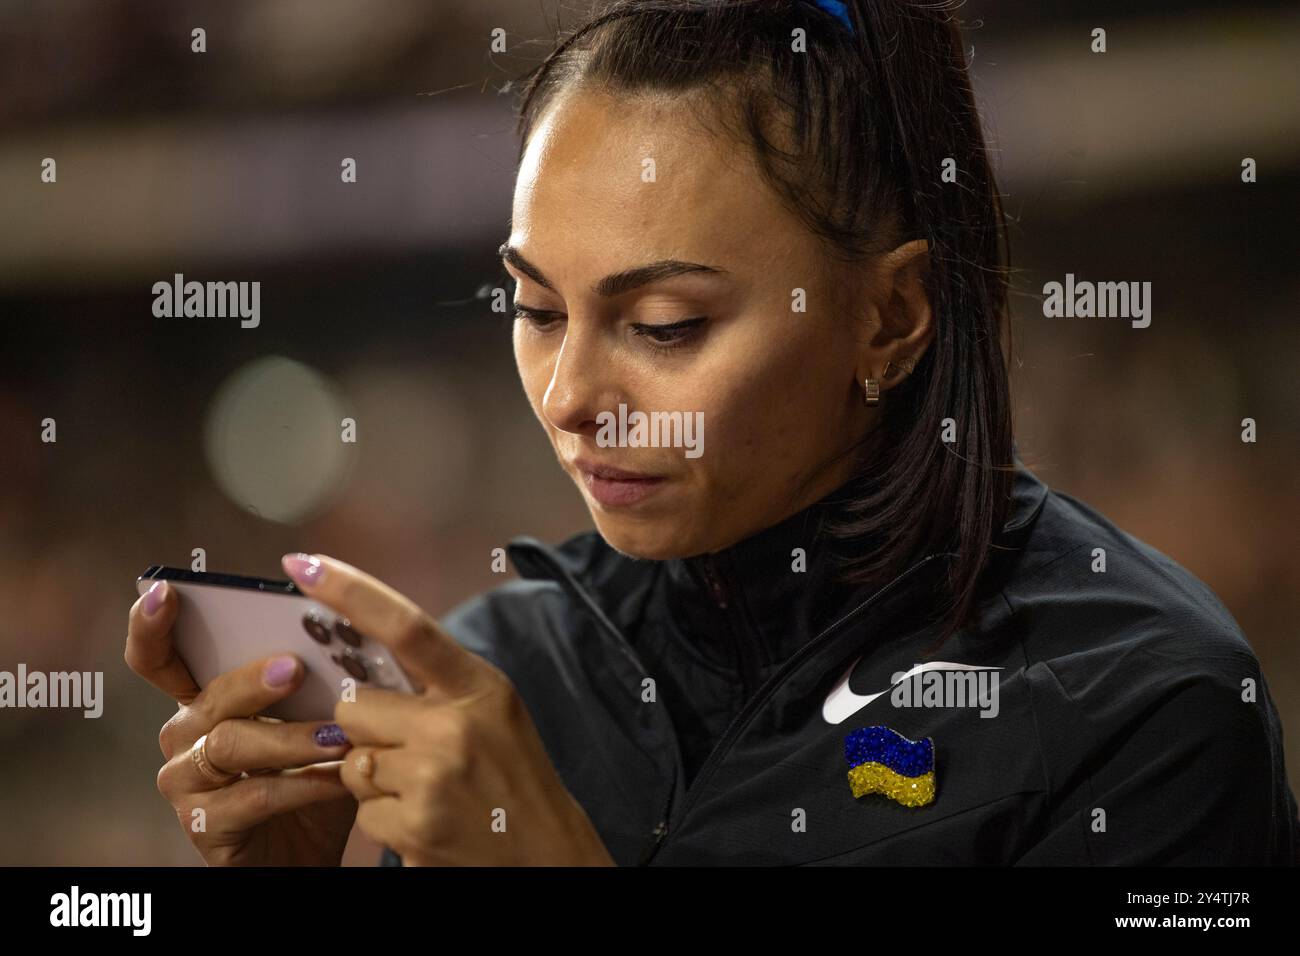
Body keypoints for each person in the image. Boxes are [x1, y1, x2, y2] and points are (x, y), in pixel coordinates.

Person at [125, 0, 1298, 866]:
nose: (572, 391)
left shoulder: (1149, 709)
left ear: (889, 317)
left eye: (664, 323)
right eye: (535, 308)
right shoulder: (491, 677)